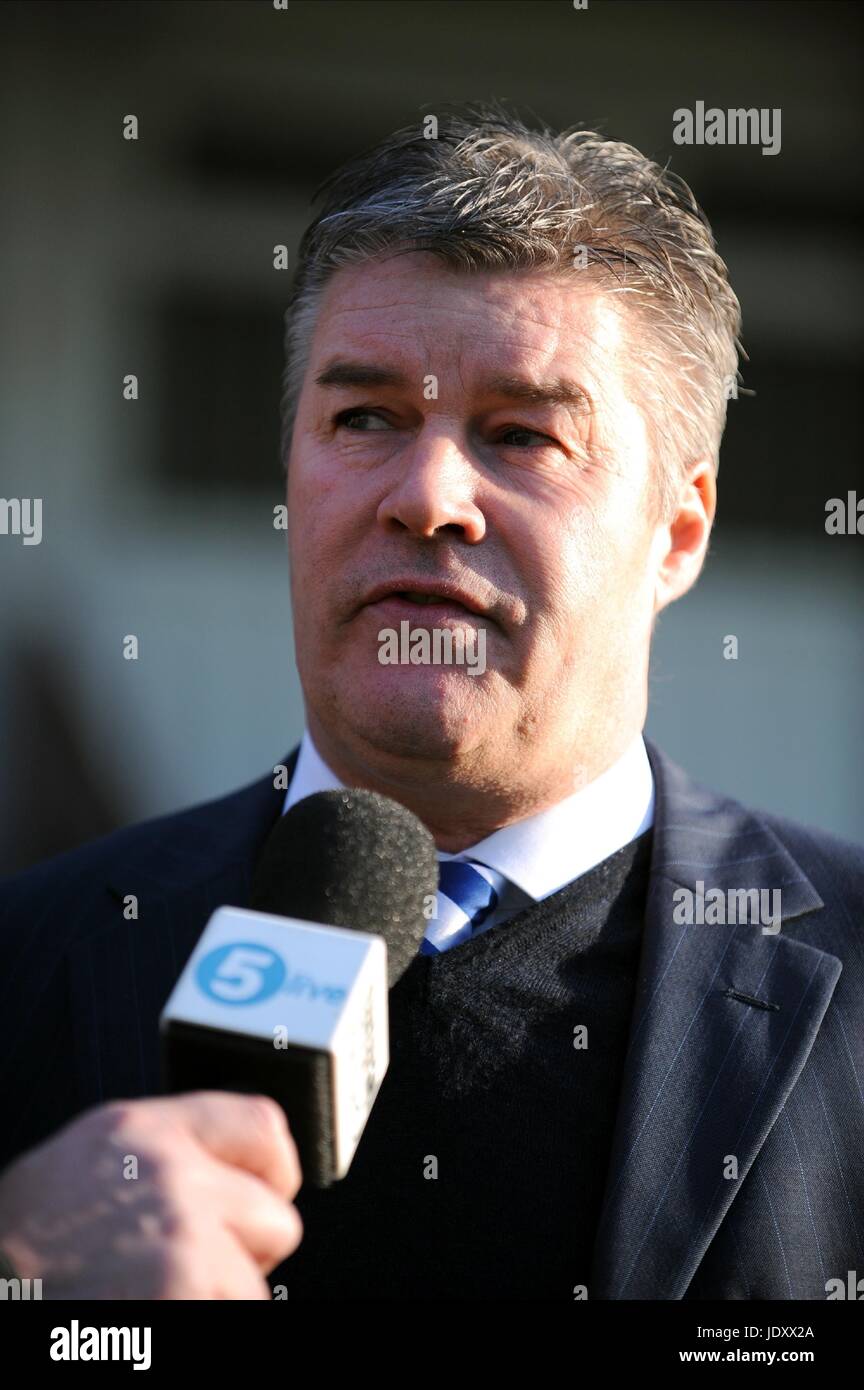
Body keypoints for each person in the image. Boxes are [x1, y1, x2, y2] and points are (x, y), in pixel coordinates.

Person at [1, 103, 861, 1300]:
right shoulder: (30, 965)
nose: (429, 496)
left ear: (678, 530)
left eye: (521, 435)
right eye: (365, 419)